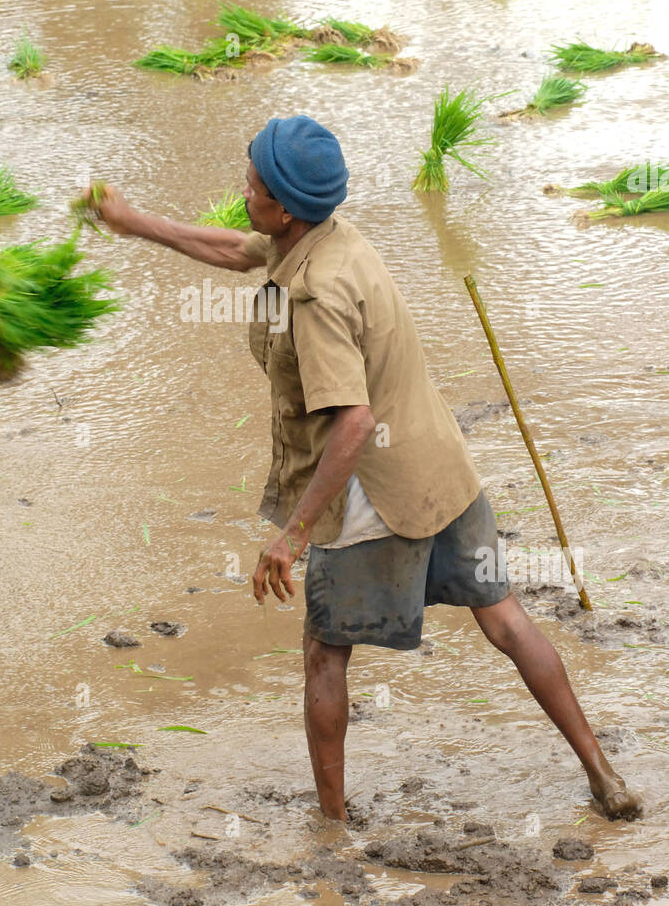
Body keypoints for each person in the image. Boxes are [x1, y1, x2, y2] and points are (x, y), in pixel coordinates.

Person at [84, 114, 642, 824]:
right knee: (505, 621)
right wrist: (136, 223)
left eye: (252, 186)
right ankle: (603, 775)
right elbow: (238, 250)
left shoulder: (315, 296)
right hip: (439, 462)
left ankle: (330, 829)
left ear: (285, 208)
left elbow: (350, 423)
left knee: (324, 652)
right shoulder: (332, 239)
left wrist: (290, 534)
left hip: (375, 487)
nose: (243, 191)